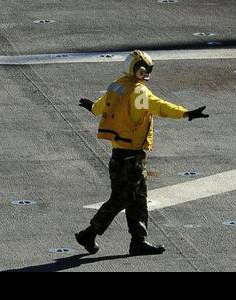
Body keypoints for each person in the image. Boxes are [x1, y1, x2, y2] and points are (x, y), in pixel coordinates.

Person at [74, 50, 208, 256]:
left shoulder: (117, 85)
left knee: (138, 197)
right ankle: (90, 233)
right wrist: (185, 113)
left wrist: (91, 107)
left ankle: (138, 241)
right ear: (139, 70)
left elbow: (101, 106)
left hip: (119, 153)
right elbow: (160, 107)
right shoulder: (139, 92)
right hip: (132, 156)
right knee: (124, 198)